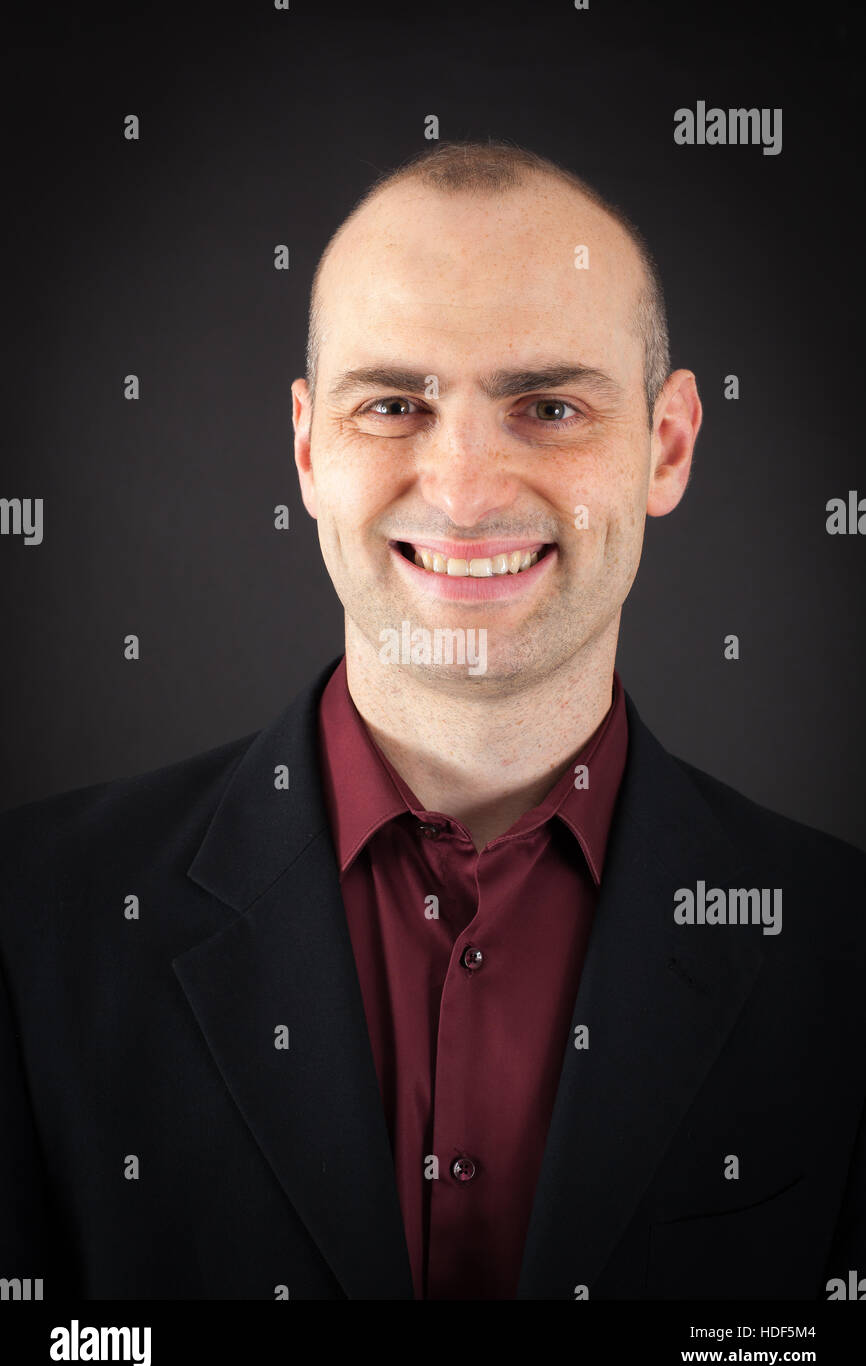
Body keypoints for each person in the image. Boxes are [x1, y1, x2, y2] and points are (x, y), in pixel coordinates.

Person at [1, 141, 863, 1301]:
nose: (461, 490)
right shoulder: (31, 923)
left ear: (665, 445)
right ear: (308, 447)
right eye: (395, 404)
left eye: (548, 406)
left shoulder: (842, 953)